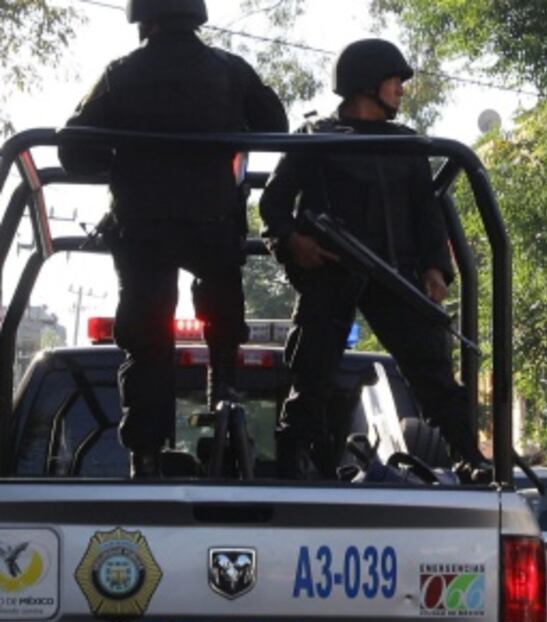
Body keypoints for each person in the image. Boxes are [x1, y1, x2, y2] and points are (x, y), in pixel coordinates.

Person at [59, 0, 288, 478]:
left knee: (146, 338)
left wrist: (124, 156)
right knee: (222, 310)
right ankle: (224, 396)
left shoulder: (121, 73)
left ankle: (145, 457)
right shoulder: (231, 70)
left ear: (144, 19)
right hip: (214, 227)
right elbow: (275, 127)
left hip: (143, 231)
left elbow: (74, 151)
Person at [259, 38, 485, 480]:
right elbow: (273, 204)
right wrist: (294, 243)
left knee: (432, 368)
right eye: (393, 80)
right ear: (365, 85)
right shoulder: (316, 137)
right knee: (312, 370)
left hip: (395, 275)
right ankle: (296, 458)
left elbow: (427, 214)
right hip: (331, 272)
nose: (401, 89)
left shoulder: (407, 144)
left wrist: (435, 269)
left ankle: (468, 455)